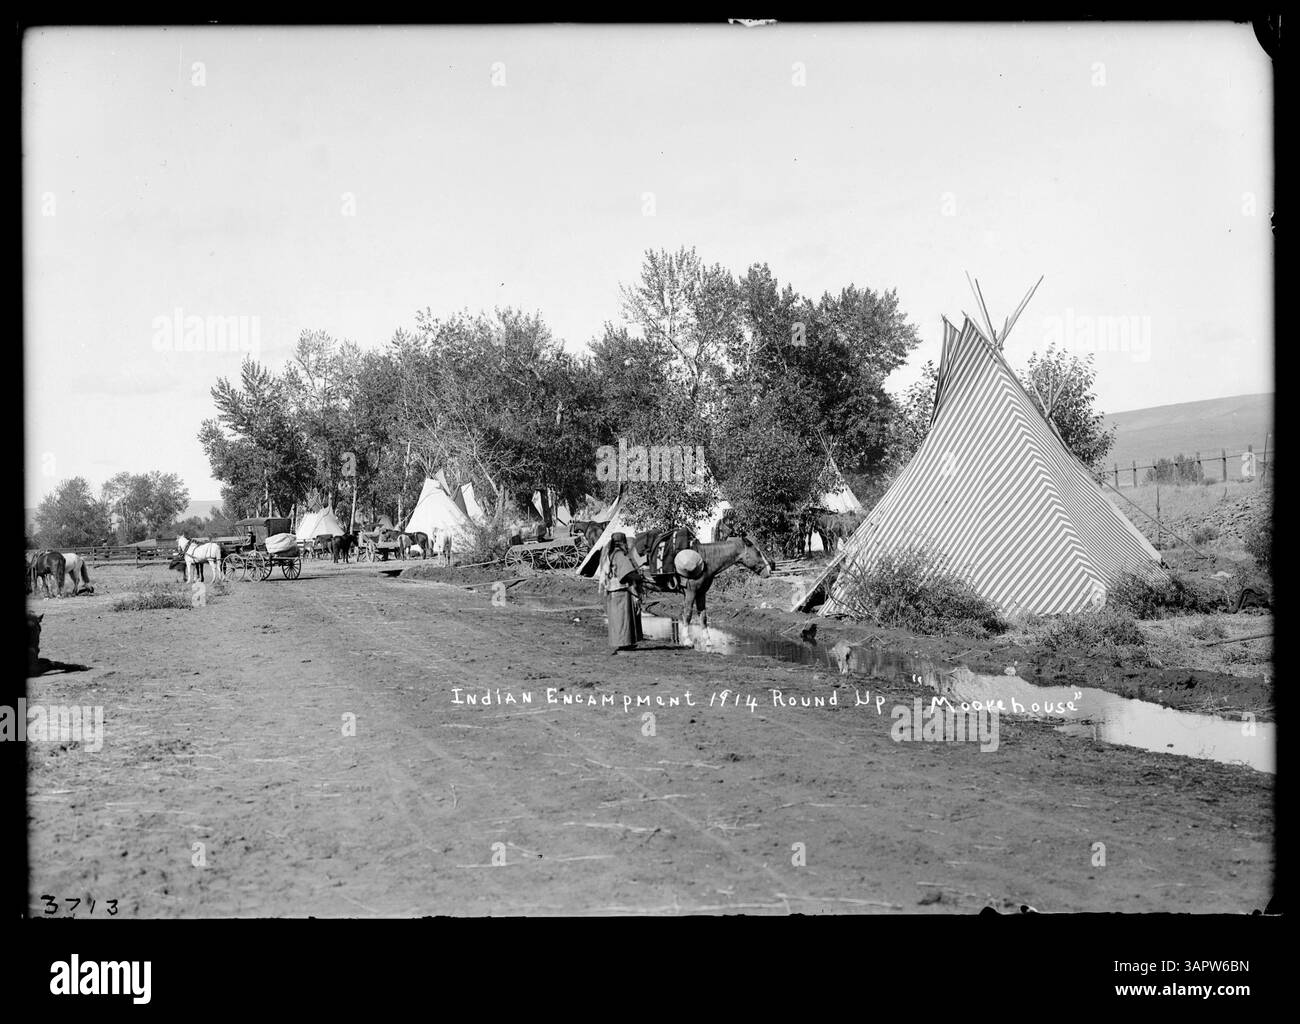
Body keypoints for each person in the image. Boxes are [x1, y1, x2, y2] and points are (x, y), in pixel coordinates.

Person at [602, 532, 643, 654]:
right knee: (623, 618)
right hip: (620, 590)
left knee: (617, 619)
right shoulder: (620, 555)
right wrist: (638, 577)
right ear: (623, 542)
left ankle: (624, 643)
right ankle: (624, 643)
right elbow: (627, 573)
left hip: (612, 590)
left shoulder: (610, 553)